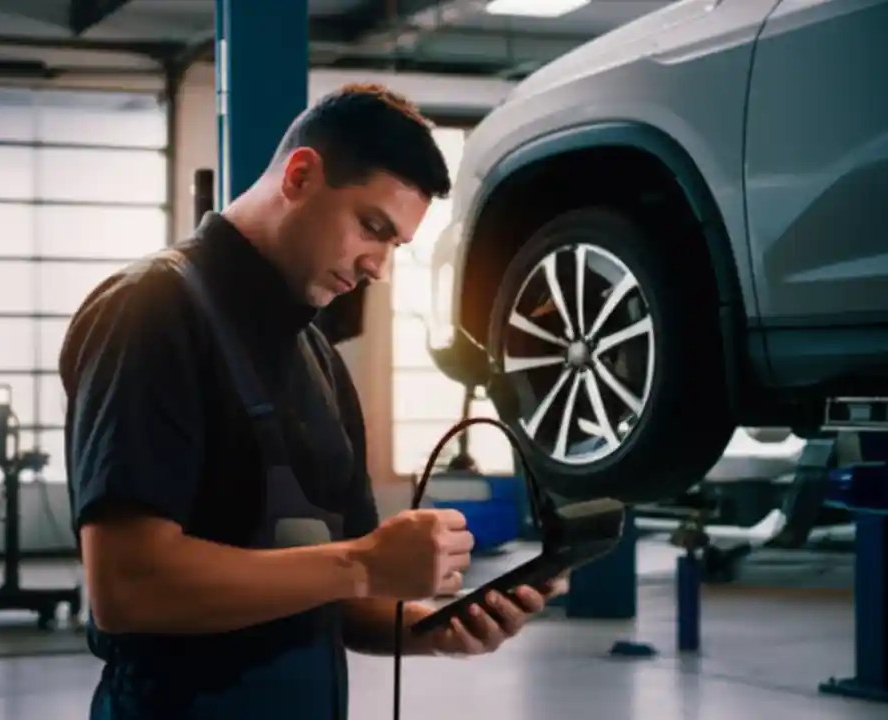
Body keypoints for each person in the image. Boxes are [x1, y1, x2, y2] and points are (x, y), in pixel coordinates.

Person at [58, 83, 567, 720]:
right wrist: (362, 563)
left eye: (395, 245)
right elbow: (127, 586)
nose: (378, 266)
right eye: (371, 227)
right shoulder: (152, 310)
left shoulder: (318, 357)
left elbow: (337, 601)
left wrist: (439, 628)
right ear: (300, 175)